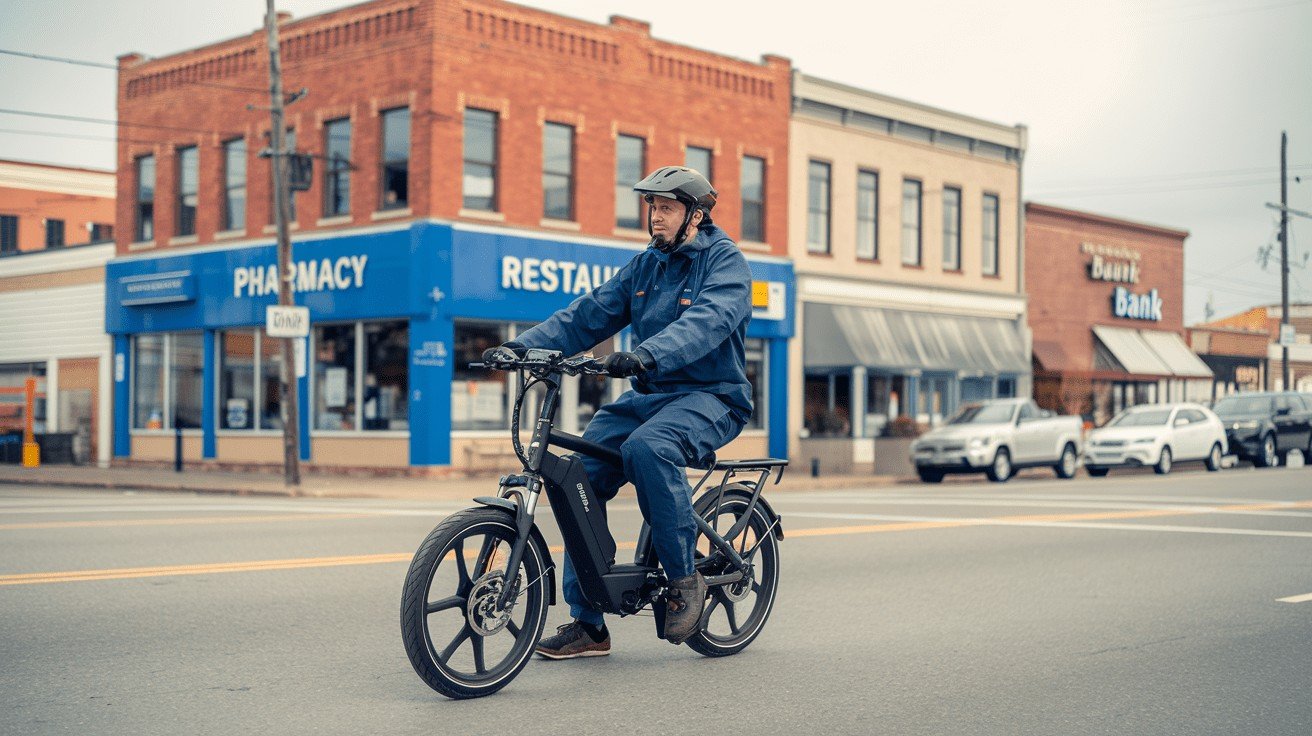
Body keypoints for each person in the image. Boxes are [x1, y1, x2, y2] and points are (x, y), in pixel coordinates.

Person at [482, 166, 753, 657]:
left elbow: (706, 322)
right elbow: (588, 314)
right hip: (651, 397)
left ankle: (683, 580)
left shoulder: (725, 263)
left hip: (713, 396)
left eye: (666, 208)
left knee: (649, 448)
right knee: (577, 474)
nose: (655, 218)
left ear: (695, 215)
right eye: (651, 207)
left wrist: (648, 355)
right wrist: (520, 347)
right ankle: (589, 625)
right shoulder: (646, 266)